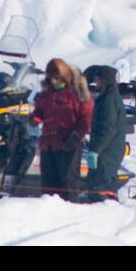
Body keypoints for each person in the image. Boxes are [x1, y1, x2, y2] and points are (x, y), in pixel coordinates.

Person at [32, 58, 92, 201]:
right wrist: (35, 118)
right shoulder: (46, 94)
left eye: (56, 78)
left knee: (68, 183)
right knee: (48, 184)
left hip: (68, 144)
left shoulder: (78, 94)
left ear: (65, 77)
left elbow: (87, 119)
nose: (53, 81)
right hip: (47, 144)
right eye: (51, 78)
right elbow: (39, 111)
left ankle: (69, 212)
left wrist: (76, 136)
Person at [83, 65, 127, 202]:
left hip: (107, 151)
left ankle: (105, 211)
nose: (95, 81)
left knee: (101, 184)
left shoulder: (110, 99)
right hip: (104, 149)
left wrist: (95, 150)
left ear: (105, 80)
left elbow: (108, 129)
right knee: (96, 181)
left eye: (98, 78)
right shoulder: (106, 97)